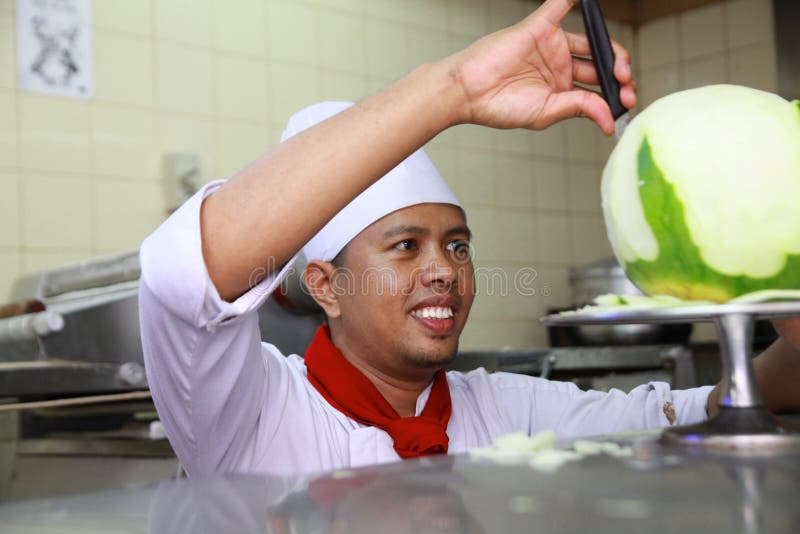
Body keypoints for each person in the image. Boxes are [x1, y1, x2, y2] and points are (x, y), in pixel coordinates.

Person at [139, 0, 800, 477]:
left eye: (457, 246)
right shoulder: (254, 415)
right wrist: (452, 89)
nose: (444, 270)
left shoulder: (507, 408)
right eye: (406, 246)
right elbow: (186, 276)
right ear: (326, 286)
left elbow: (702, 408)